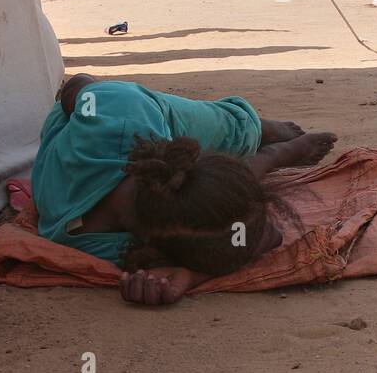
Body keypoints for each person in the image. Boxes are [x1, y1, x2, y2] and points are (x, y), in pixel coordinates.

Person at [32, 75, 338, 306]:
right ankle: (270, 152)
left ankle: (256, 129)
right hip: (144, 134)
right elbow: (265, 237)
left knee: (227, 132)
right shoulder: (109, 247)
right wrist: (192, 275)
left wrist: (71, 96)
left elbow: (79, 86)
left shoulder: (122, 113)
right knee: (226, 177)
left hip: (136, 119)